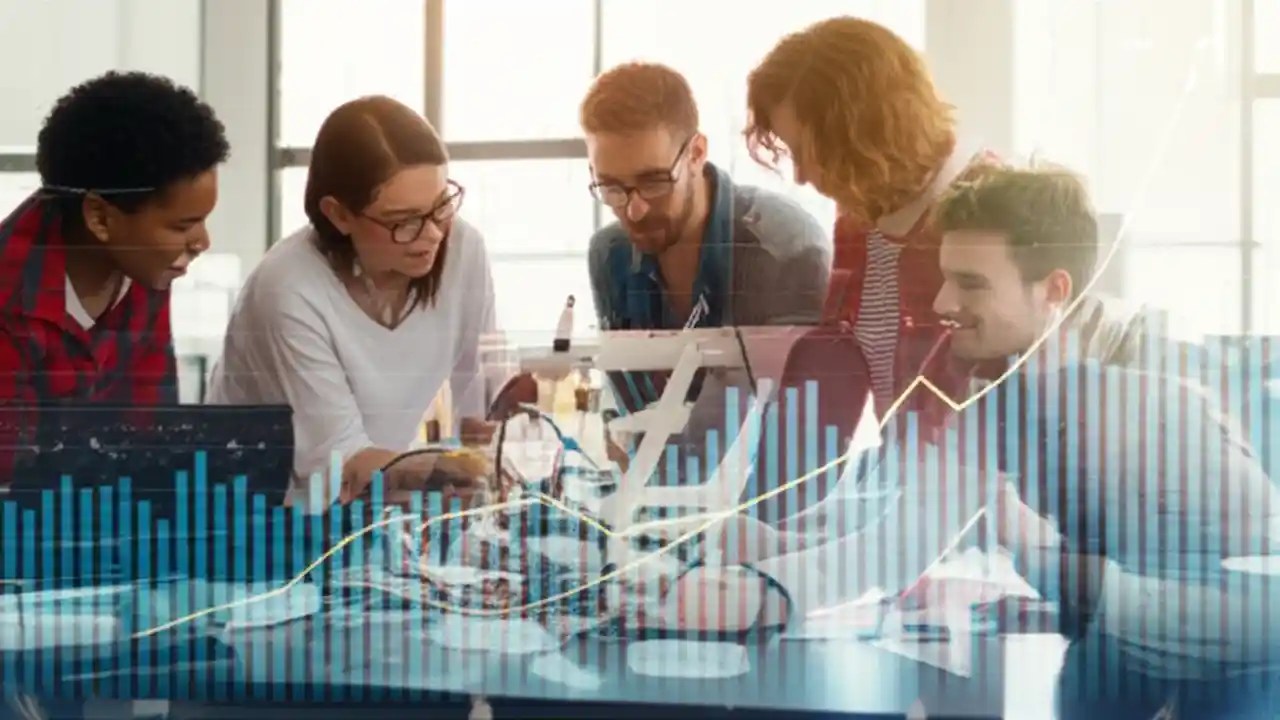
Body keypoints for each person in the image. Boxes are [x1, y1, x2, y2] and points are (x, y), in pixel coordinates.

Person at [690, 167, 1279, 718]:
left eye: (969, 283)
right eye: (946, 277)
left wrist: (1076, 576)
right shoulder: (999, 398)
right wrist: (767, 582)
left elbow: (1266, 604)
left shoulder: (1168, 404)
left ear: (1053, 288)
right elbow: (899, 542)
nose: (944, 303)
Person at [207, 95, 498, 509]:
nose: (432, 234)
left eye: (440, 208)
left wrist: (492, 454)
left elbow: (481, 397)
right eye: (403, 222)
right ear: (339, 215)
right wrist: (452, 467)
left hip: (366, 505)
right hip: (256, 516)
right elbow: (343, 464)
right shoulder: (287, 287)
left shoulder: (462, 248)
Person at [744, 16, 1002, 471]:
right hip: (904, 507)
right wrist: (762, 525)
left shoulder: (993, 213)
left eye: (809, 152)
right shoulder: (860, 217)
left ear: (866, 132)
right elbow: (827, 394)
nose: (801, 176)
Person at [0, 71, 229, 483]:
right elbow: (14, 475)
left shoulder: (142, 264)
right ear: (101, 217)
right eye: (182, 226)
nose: (202, 242)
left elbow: (151, 431)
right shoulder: (10, 300)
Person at [582, 61, 831, 332]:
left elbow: (814, 372)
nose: (634, 211)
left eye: (654, 182)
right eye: (611, 187)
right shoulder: (609, 254)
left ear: (697, 153)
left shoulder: (784, 247)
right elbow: (621, 373)